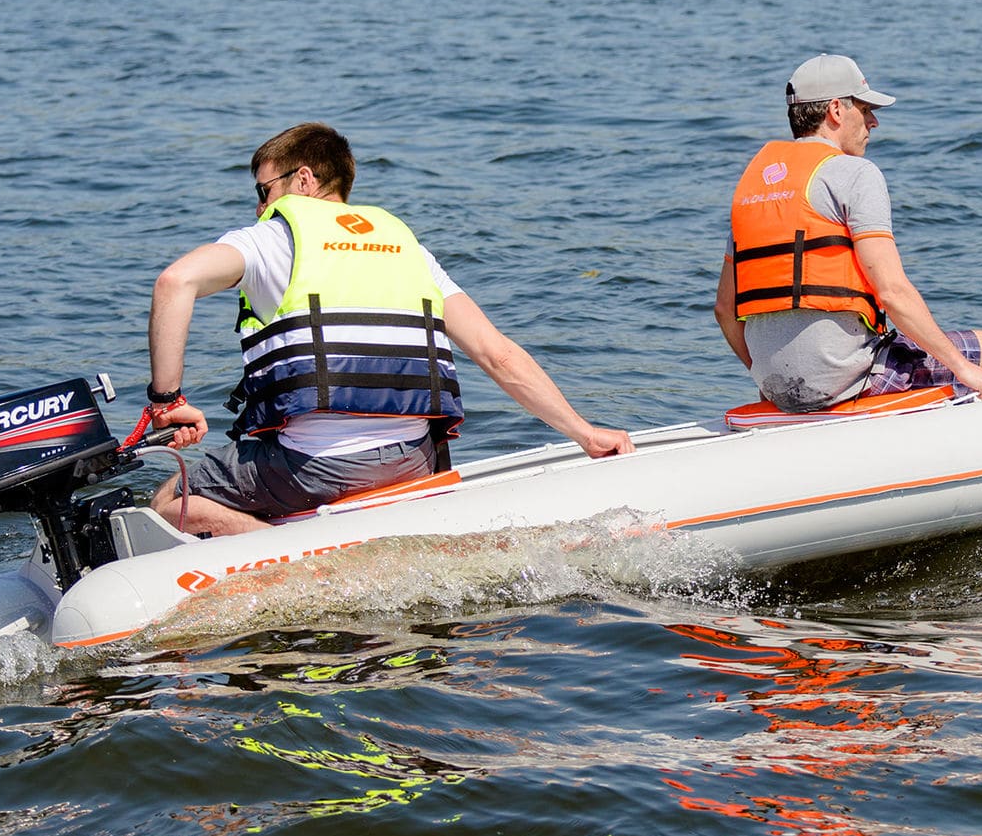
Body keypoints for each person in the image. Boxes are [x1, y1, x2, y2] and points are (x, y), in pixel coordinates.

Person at [145, 123, 633, 535]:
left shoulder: (268, 240)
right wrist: (585, 434)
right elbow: (496, 354)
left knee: (169, 499)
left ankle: (279, 552)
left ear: (305, 180)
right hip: (414, 461)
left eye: (263, 190)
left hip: (313, 467)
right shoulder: (410, 253)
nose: (258, 206)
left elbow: (174, 281)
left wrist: (168, 401)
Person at [714, 53, 982, 412]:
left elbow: (725, 310)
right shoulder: (854, 174)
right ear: (835, 110)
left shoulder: (752, 193)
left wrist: (770, 381)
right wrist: (965, 370)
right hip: (849, 377)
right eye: (864, 110)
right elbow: (892, 293)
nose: (874, 122)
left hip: (776, 385)